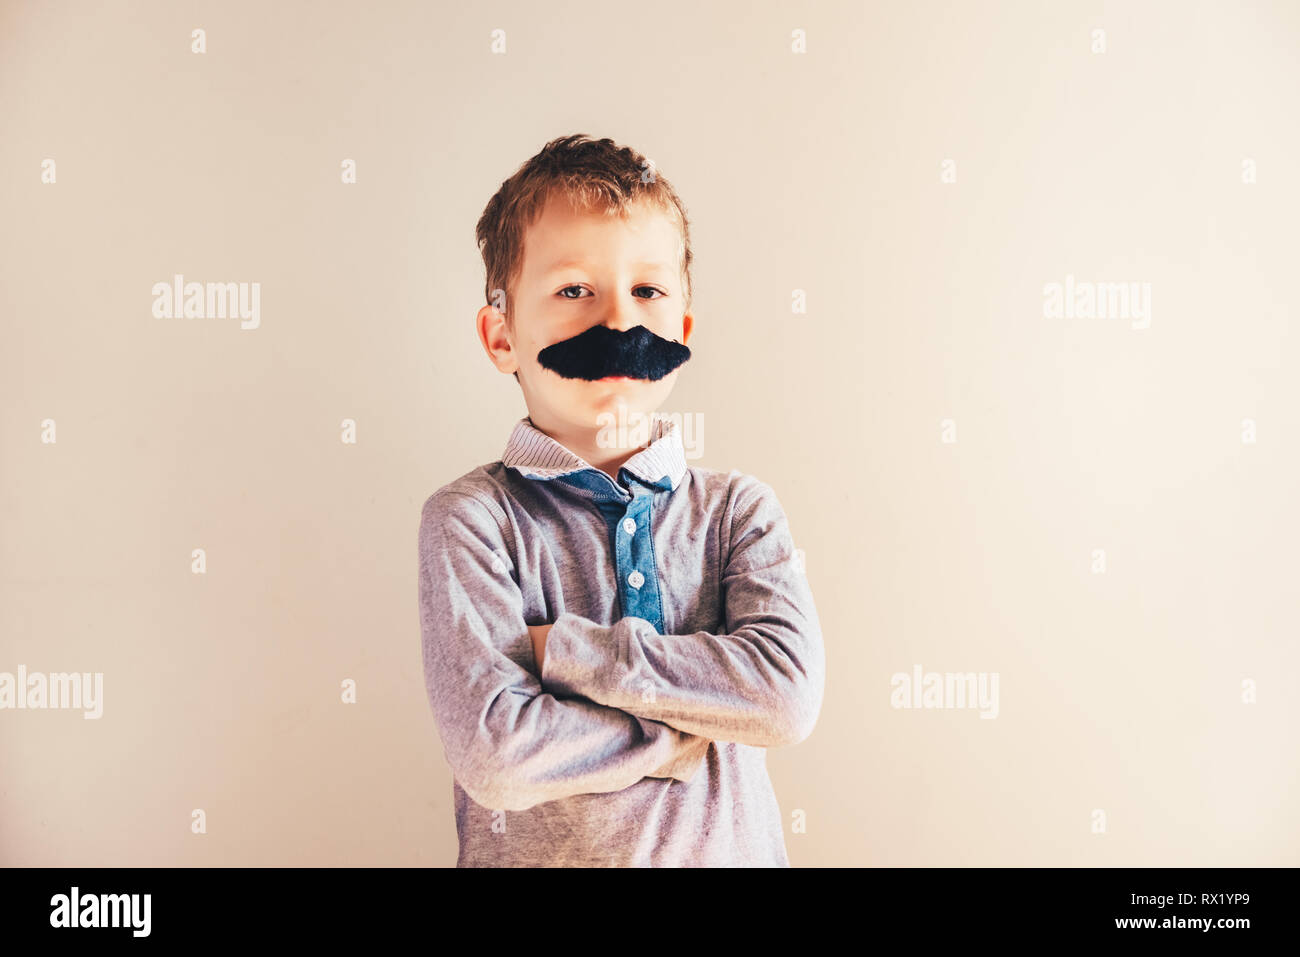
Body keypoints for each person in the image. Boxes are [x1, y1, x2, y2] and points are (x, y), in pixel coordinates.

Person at [417, 133, 825, 866]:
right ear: (501, 335)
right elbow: (499, 756)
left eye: (648, 291)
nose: (619, 324)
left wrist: (567, 651)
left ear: (682, 331)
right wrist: (680, 731)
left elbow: (785, 696)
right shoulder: (473, 521)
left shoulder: (738, 513)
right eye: (575, 290)